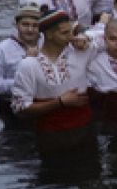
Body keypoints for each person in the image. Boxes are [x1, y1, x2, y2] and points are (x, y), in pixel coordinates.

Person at [10, 9, 96, 138]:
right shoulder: (29, 65)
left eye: (71, 32)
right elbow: (20, 108)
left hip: (86, 132)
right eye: (65, 33)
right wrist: (59, 102)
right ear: (49, 35)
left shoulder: (81, 51)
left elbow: (110, 34)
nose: (71, 36)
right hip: (51, 136)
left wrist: (85, 35)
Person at [0, 6, 42, 121]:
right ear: (17, 25)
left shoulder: (48, 43)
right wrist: (21, 84)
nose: (30, 29)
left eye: (35, 25)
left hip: (47, 103)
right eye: (25, 25)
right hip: (12, 108)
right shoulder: (0, 50)